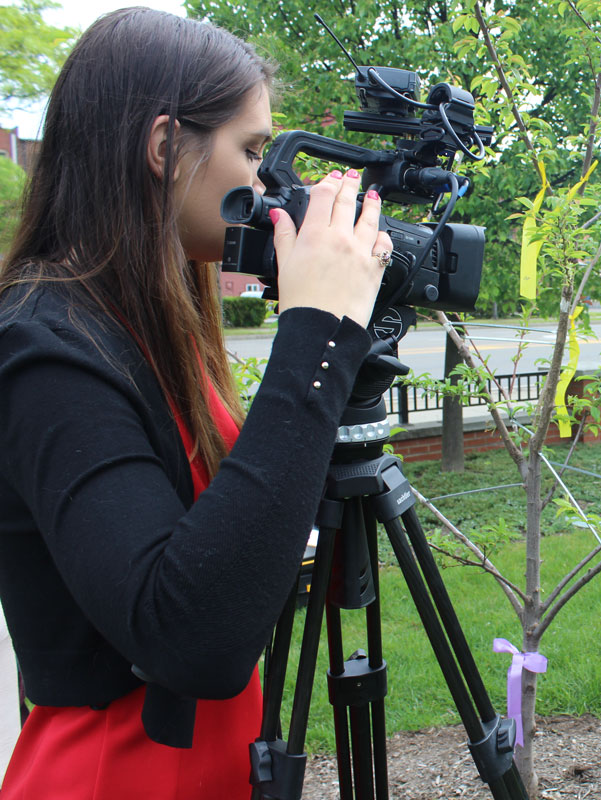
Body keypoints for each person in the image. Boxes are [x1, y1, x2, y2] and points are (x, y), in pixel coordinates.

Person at [0, 8, 392, 798]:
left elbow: (238, 545)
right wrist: (312, 339)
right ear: (161, 146)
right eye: (251, 150)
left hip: (212, 767)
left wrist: (338, 367)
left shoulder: (149, 324)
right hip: (117, 775)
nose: (268, 183)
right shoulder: (44, 347)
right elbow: (189, 637)